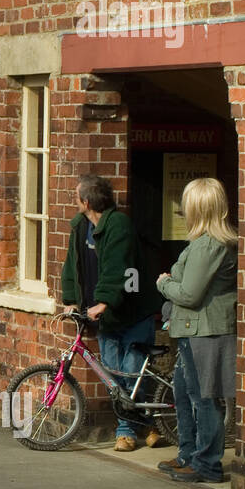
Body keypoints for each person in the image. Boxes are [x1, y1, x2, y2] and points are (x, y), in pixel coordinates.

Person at [60, 174, 163, 451]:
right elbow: (72, 265)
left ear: (87, 200)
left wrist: (103, 302)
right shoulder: (81, 227)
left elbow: (118, 267)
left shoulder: (119, 225)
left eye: (77, 195)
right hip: (108, 317)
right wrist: (70, 299)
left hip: (132, 311)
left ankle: (127, 430)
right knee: (114, 378)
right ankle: (148, 423)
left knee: (131, 374)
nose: (74, 199)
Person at [156, 177, 238, 483]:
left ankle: (207, 464)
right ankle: (188, 454)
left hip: (206, 333)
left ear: (199, 208)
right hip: (193, 330)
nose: (183, 211)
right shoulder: (206, 242)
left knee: (204, 398)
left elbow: (190, 294)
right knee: (184, 392)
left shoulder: (207, 246)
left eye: (187, 205)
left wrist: (164, 283)